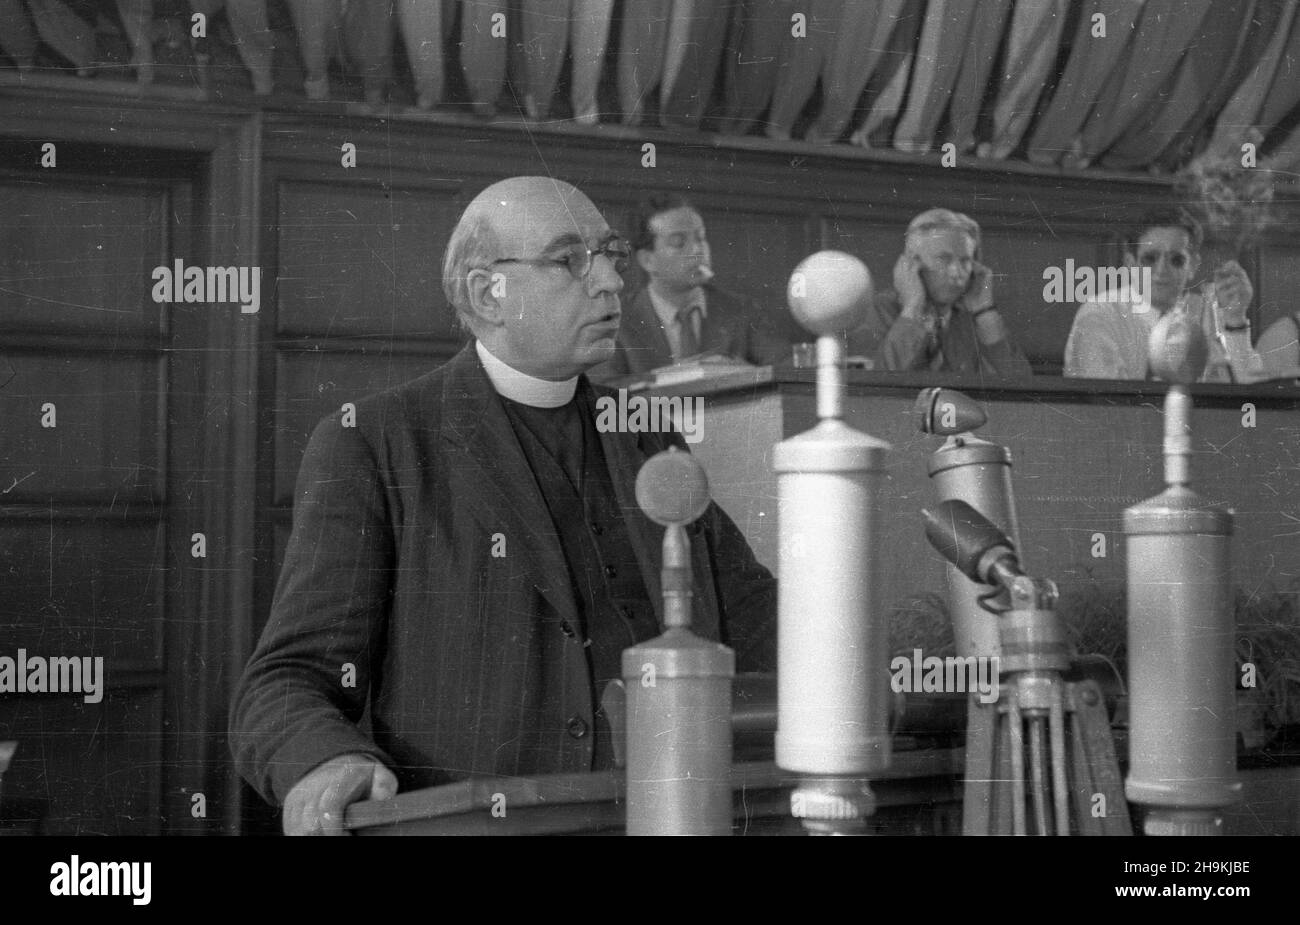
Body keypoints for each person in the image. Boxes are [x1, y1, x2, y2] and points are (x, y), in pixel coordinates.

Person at [229, 176, 777, 835]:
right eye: (571, 258)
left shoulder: (646, 432)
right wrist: (327, 758)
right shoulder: (378, 443)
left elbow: (757, 619)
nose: (608, 282)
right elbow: (284, 680)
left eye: (610, 254)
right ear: (487, 293)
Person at [587, 193, 794, 383]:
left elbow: (786, 369)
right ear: (647, 260)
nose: (697, 250)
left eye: (700, 237)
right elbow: (604, 394)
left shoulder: (742, 311)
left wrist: (741, 373)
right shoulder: (620, 320)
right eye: (679, 242)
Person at [1064, 208, 1259, 382]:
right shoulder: (1100, 314)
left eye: (1176, 260)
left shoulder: (1209, 313)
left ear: (1192, 266)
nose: (1161, 270)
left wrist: (1235, 319)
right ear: (1131, 264)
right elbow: (1110, 405)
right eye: (1150, 258)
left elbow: (1253, 394)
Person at [846, 208, 1032, 377]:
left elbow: (1022, 385)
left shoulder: (971, 319)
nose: (956, 273)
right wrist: (912, 310)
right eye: (944, 259)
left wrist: (985, 311)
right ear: (911, 264)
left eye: (965, 261)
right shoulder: (875, 312)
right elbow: (875, 389)